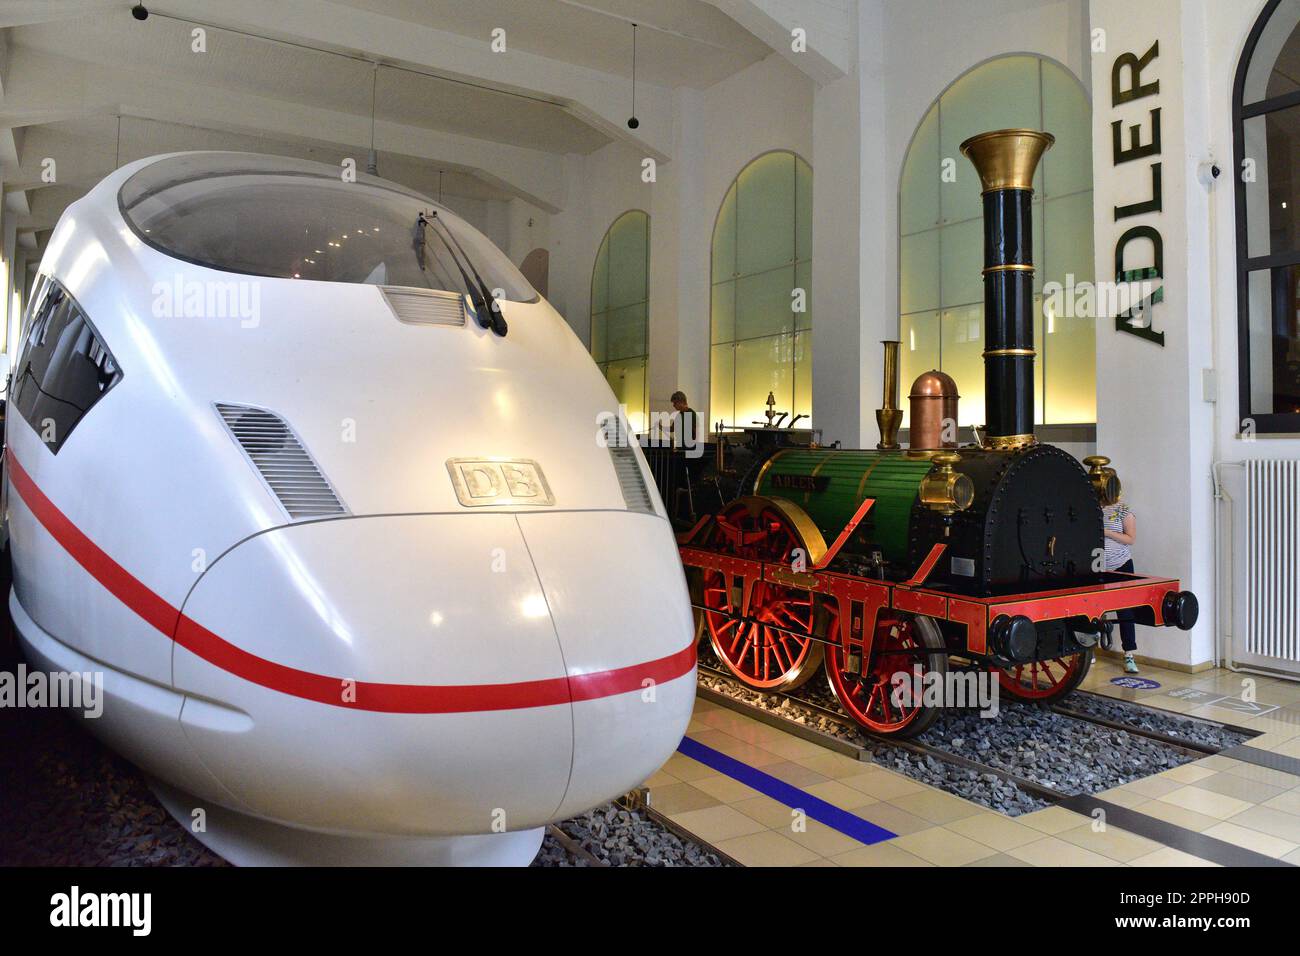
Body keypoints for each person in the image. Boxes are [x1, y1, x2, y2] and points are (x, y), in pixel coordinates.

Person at [1103, 493, 1140, 673]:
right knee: (1094, 608)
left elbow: (1130, 538)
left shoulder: (1123, 510)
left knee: (1125, 609)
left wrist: (1107, 533)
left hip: (1121, 564)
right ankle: (1088, 649)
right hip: (1097, 565)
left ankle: (1129, 653)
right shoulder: (1093, 507)